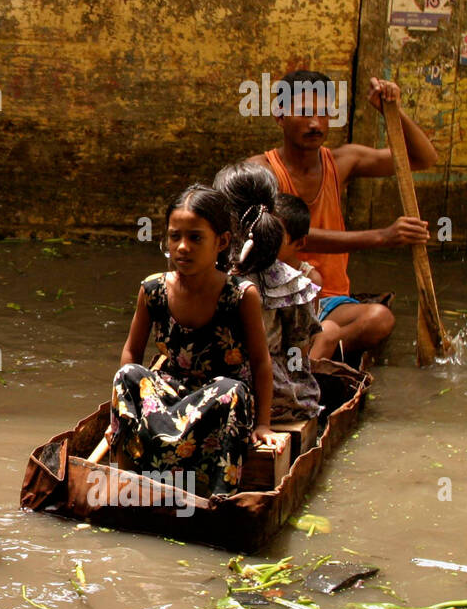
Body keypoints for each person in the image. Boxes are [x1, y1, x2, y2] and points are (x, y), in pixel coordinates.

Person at [98, 185, 285, 497]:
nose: (182, 247)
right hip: (172, 392)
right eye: (175, 237)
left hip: (218, 400)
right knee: (128, 375)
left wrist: (263, 425)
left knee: (231, 390)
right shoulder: (153, 289)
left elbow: (261, 363)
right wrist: (119, 414)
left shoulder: (241, 296)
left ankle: (216, 497)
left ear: (221, 243)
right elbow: (132, 351)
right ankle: (131, 473)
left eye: (195, 238)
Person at [250, 72, 438, 360]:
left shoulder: (343, 161)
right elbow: (289, 237)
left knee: (380, 318)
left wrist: (393, 110)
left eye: (323, 113)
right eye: (303, 113)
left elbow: (424, 158)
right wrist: (381, 236)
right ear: (279, 116)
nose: (315, 124)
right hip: (277, 298)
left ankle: (319, 345)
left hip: (330, 301)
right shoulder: (260, 171)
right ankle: (314, 346)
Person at [214, 163, 322, 425]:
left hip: (223, 392)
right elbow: (299, 350)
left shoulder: (207, 272)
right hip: (279, 400)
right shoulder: (292, 282)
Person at [274, 192, 323, 288]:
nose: (266, 240)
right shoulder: (255, 268)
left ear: (299, 243)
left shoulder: (309, 280)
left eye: (275, 236)